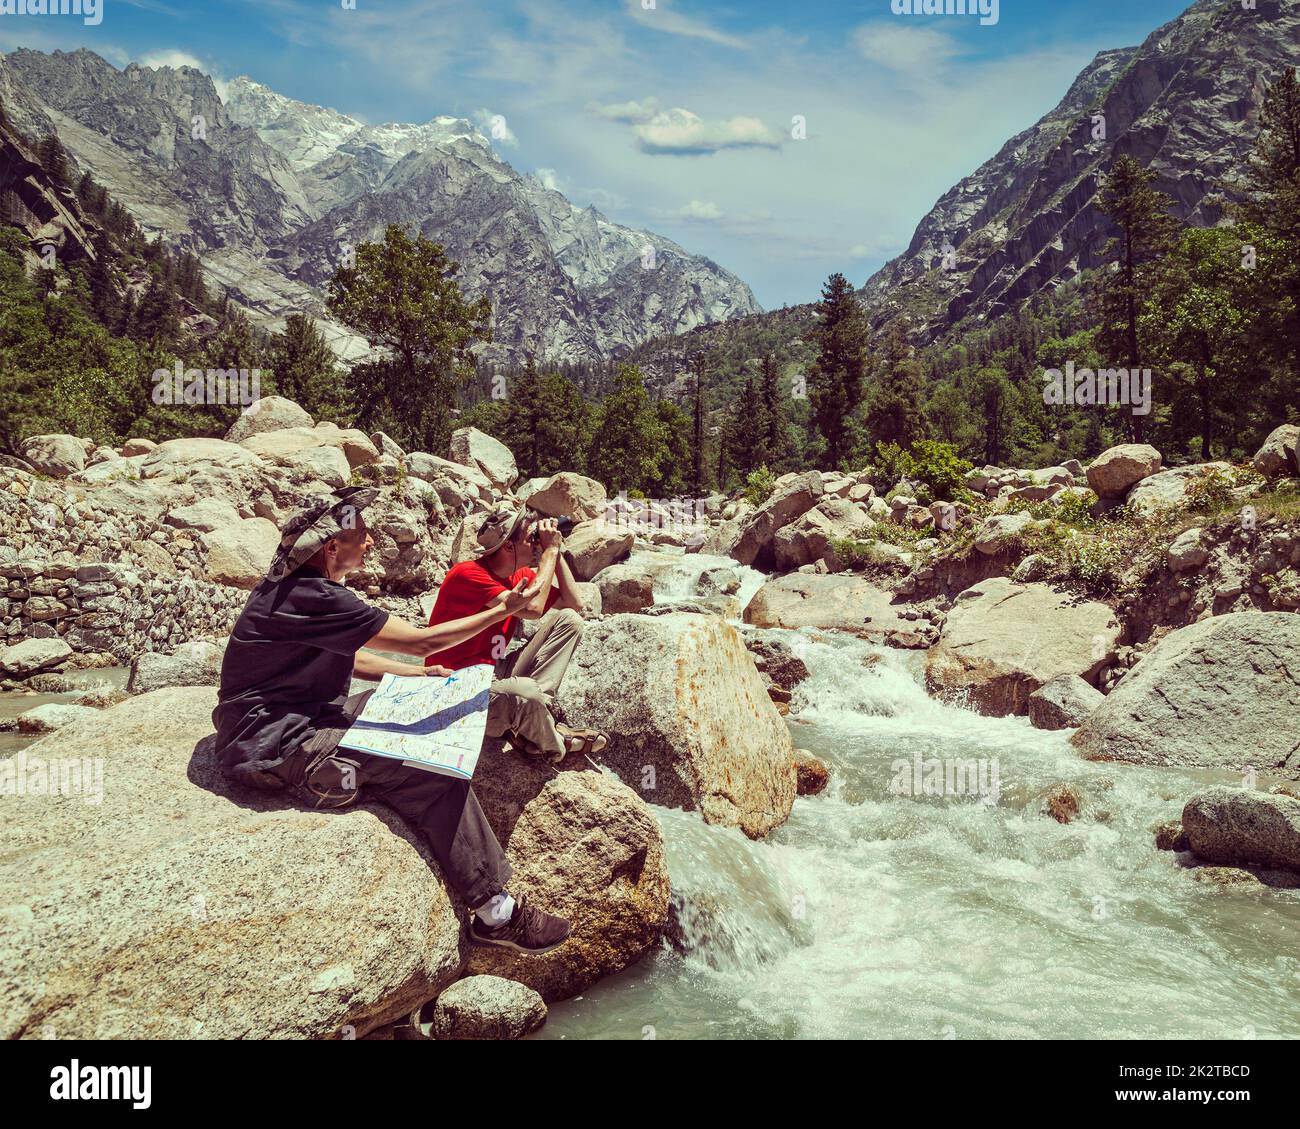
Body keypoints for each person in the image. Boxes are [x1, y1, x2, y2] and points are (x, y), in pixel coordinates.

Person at [213, 487, 571, 955]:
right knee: (434, 767)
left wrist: (419, 677)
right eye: (361, 534)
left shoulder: (295, 590)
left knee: (423, 705)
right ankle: (495, 913)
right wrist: (501, 610)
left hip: (300, 720)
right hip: (280, 744)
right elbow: (423, 641)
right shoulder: (314, 596)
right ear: (331, 547)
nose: (369, 541)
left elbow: (358, 659)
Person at [425, 503, 607, 764]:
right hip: (456, 689)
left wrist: (555, 552)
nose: (535, 545)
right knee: (524, 693)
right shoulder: (468, 574)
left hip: (496, 673)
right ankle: (556, 742)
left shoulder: (518, 575)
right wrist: (549, 551)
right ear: (509, 546)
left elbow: (574, 604)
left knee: (570, 621)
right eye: (529, 539)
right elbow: (532, 609)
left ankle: (533, 717)